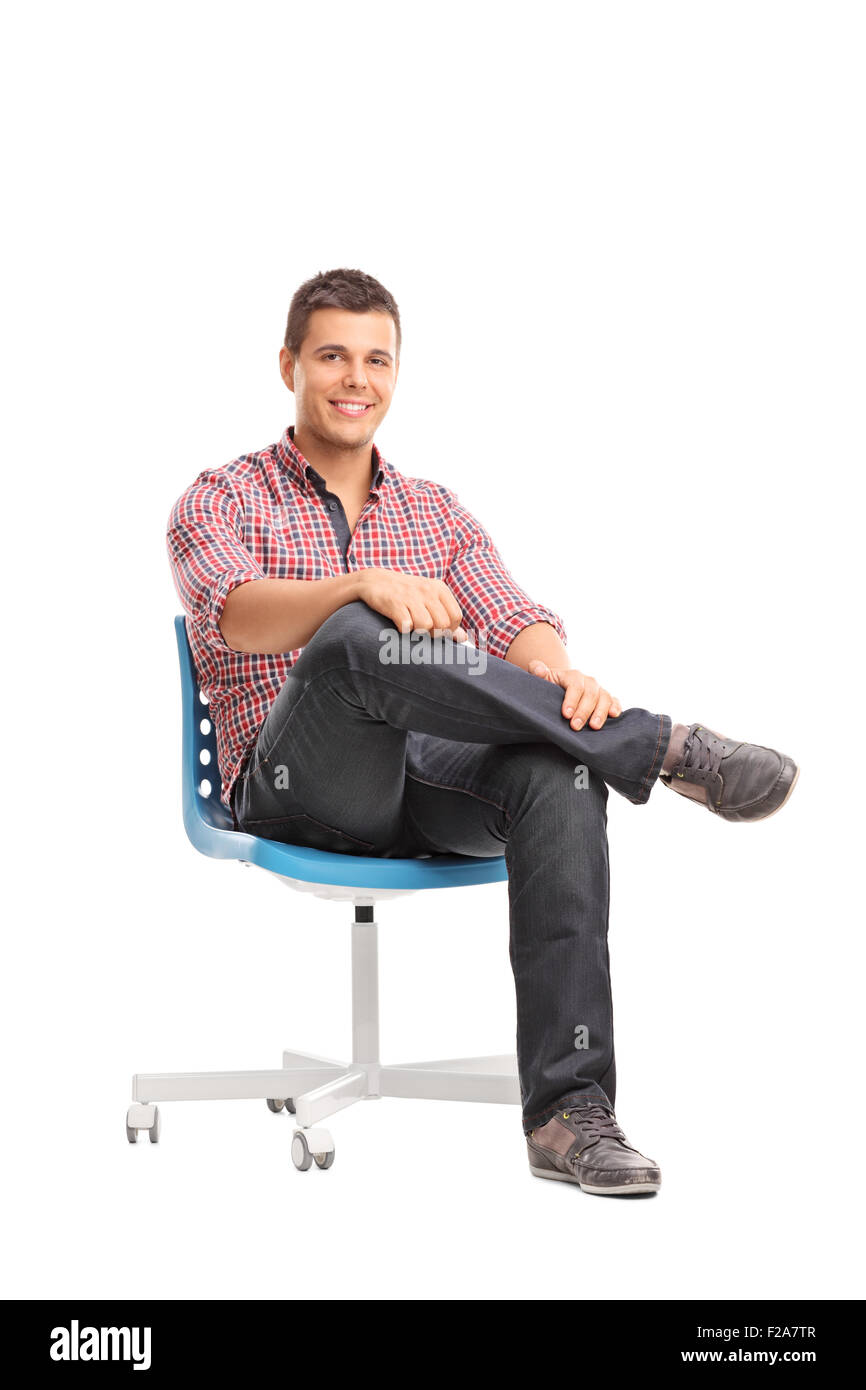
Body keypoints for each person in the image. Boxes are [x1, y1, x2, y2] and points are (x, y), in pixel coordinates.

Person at [166, 267, 799, 1197]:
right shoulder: (220, 497)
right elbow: (232, 615)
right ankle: (659, 747)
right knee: (355, 634)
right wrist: (358, 586)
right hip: (297, 785)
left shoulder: (435, 510)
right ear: (289, 365)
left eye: (377, 359)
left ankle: (568, 1114)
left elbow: (513, 619)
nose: (356, 379)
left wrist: (560, 679)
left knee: (560, 771)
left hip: (428, 784)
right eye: (333, 356)